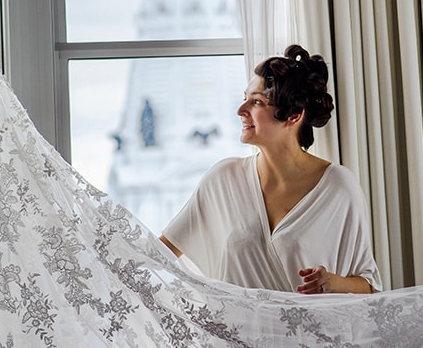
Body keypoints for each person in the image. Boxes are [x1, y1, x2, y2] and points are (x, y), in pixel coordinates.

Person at [160, 45, 382, 295]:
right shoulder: (222, 180)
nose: (240, 110)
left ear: (294, 116)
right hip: (237, 333)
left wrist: (331, 282)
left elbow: (369, 286)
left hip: (311, 334)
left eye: (256, 102)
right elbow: (159, 255)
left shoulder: (338, 187)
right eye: (245, 98)